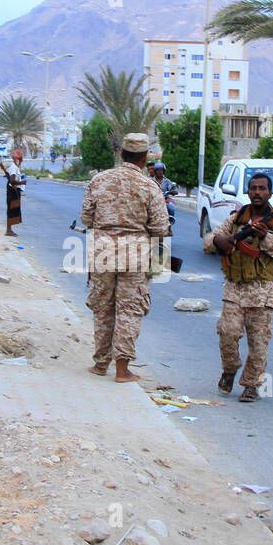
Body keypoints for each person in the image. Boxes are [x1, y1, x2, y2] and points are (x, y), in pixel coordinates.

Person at [81, 133, 170, 383]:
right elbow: (161, 228)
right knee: (129, 311)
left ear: (122, 155)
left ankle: (100, 364)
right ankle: (122, 370)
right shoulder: (150, 186)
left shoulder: (99, 180)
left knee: (103, 309)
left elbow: (87, 217)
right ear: (144, 159)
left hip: (102, 253)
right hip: (136, 256)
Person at [207, 172, 273, 403]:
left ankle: (251, 385)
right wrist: (221, 241)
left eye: (262, 188)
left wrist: (265, 238)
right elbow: (210, 239)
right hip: (235, 287)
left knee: (258, 343)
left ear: (270, 193)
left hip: (263, 289)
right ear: (247, 192)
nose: (257, 192)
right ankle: (230, 369)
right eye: (253, 188)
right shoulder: (237, 218)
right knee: (227, 332)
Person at [0, 148, 26, 236]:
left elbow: (9, 176)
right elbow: (12, 181)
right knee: (11, 211)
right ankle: (8, 230)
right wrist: (22, 182)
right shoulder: (14, 168)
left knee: (12, 210)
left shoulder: (13, 167)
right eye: (19, 159)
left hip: (13, 190)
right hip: (13, 191)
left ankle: (9, 230)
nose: (20, 161)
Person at [150, 160, 178, 232]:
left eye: (161, 170)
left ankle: (170, 221)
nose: (160, 172)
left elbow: (172, 188)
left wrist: (173, 192)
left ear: (164, 171)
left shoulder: (167, 181)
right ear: (155, 171)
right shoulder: (150, 180)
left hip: (164, 200)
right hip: (152, 201)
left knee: (171, 208)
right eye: (158, 170)